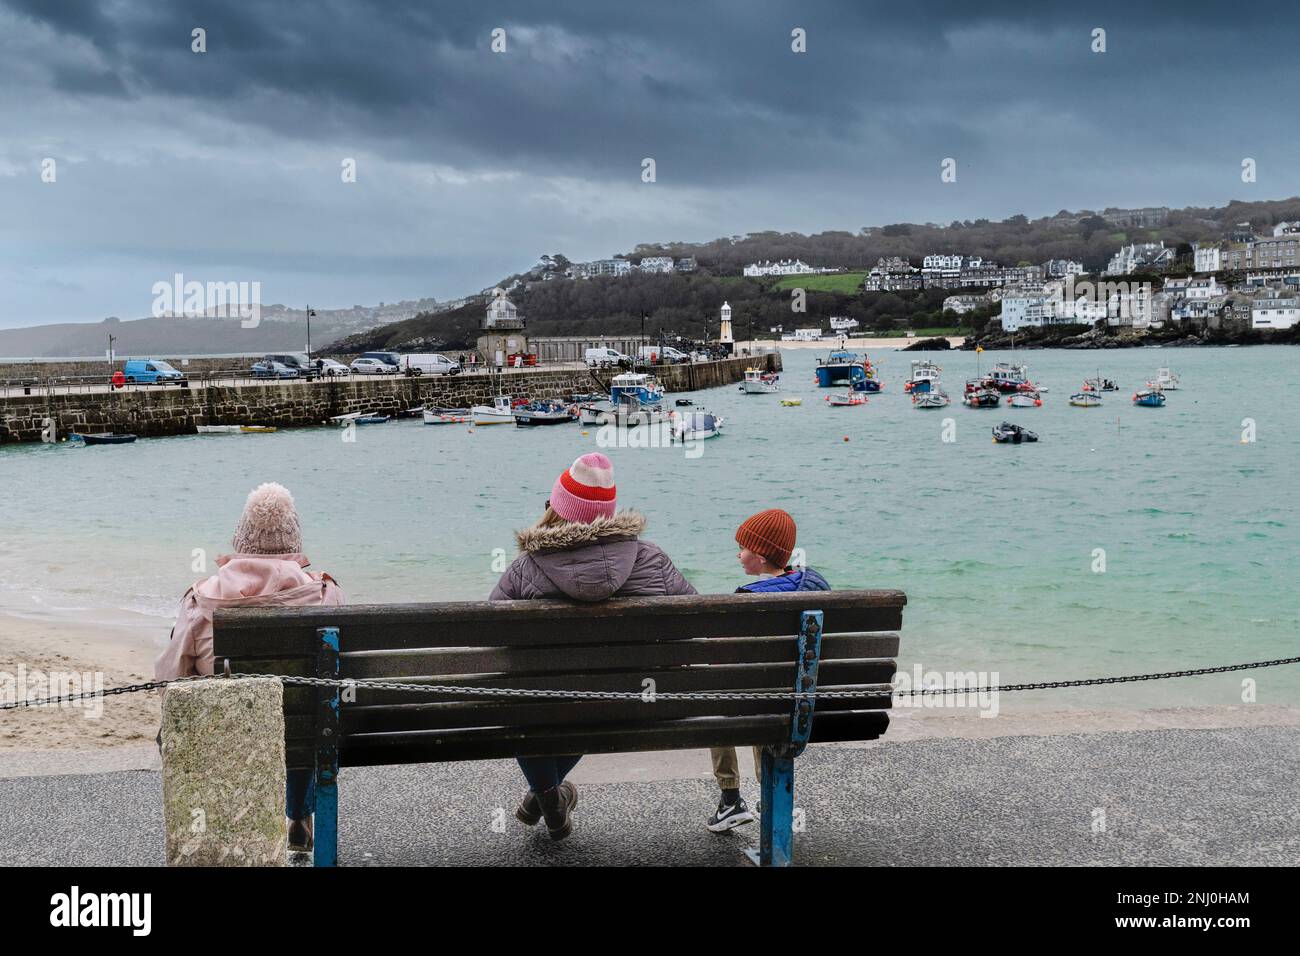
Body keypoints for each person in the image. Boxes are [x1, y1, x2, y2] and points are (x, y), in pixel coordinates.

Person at [491, 453, 696, 841]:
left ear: (556, 508)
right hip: (632, 705)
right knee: (594, 698)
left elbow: (489, 635)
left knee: (526, 703)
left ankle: (549, 799)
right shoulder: (651, 558)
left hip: (545, 706)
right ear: (609, 513)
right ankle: (549, 798)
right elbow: (696, 622)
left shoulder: (526, 567)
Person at [154, 482, 344, 853]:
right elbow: (340, 676)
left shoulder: (201, 599)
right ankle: (299, 816)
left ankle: (217, 827)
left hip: (225, 734)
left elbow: (170, 678)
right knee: (308, 712)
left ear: (241, 537)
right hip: (310, 734)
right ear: (294, 540)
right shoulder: (325, 594)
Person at [706, 508, 830, 833]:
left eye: (743, 548)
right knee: (770, 694)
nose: (738, 554)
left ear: (759, 557)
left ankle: (730, 798)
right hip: (809, 705)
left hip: (760, 705)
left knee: (718, 701)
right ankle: (770, 796)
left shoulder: (749, 599)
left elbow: (730, 663)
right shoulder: (817, 584)